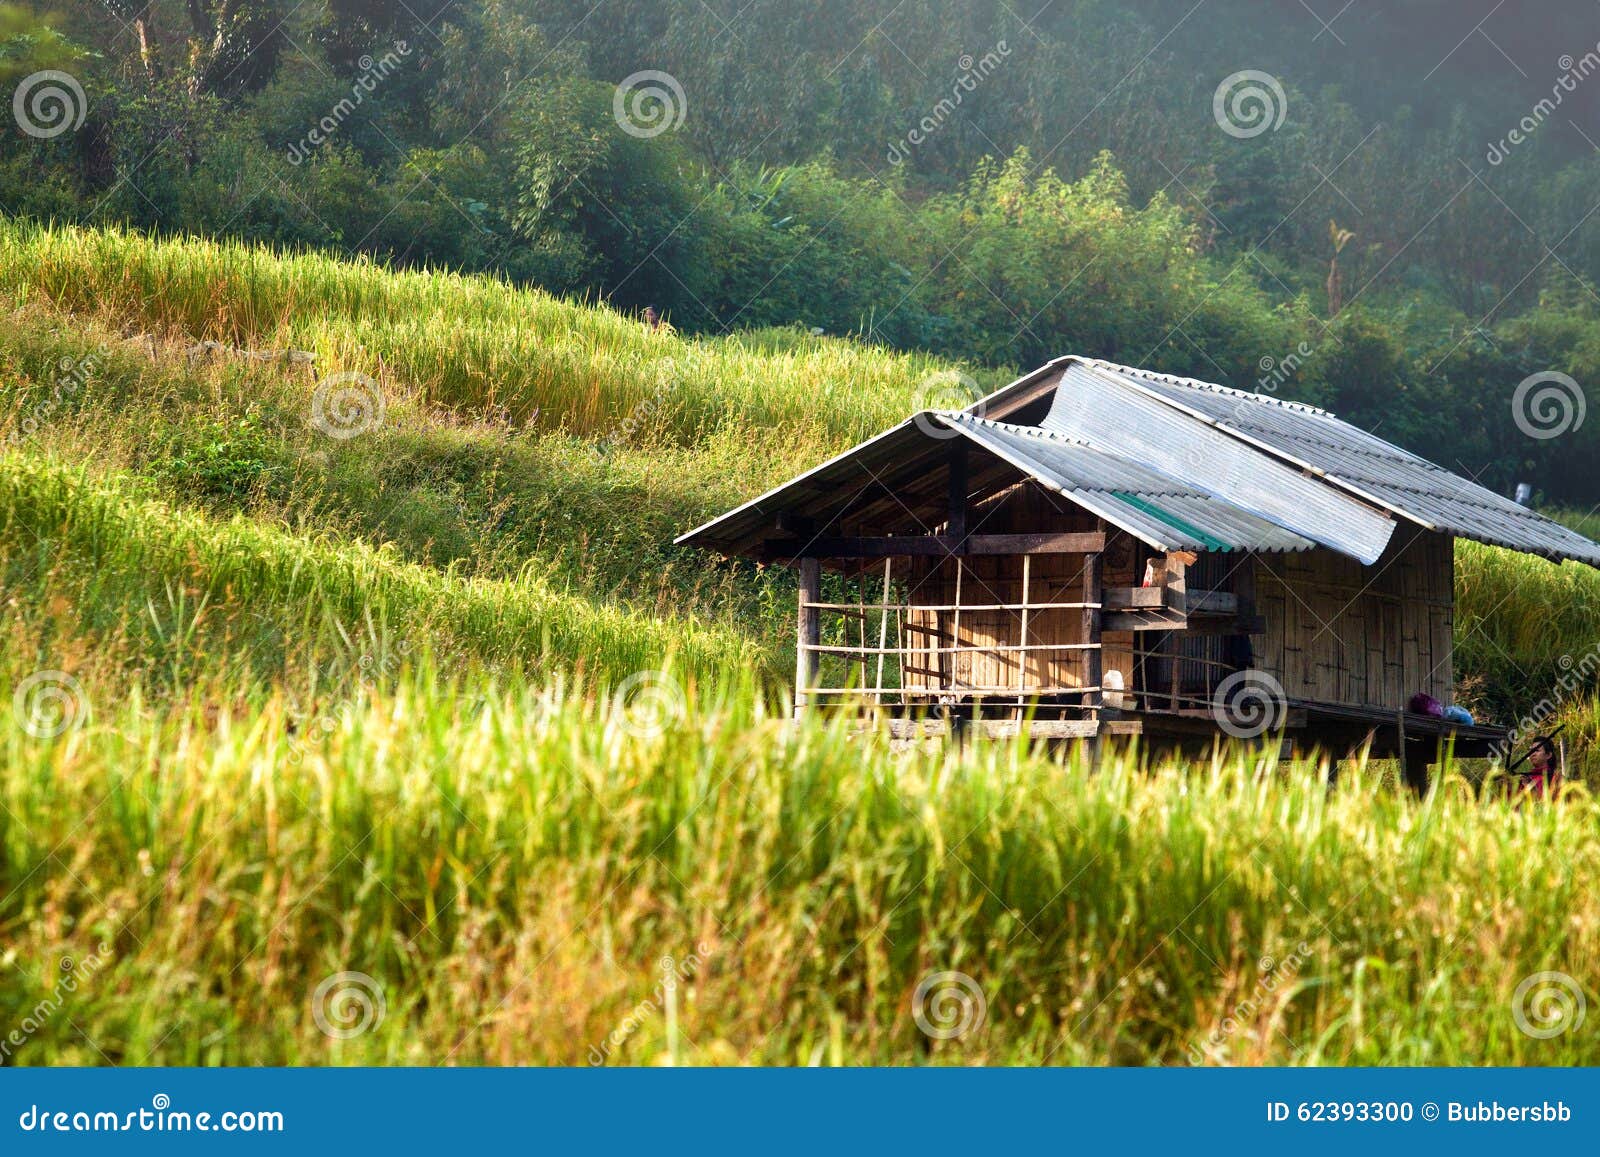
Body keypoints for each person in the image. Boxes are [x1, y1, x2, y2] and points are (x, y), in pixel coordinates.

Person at [1523, 735, 1562, 800]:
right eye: (1531, 751)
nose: (1532, 754)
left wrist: (1532, 791)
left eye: (1537, 750)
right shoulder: (1526, 778)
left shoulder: (1556, 777)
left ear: (1548, 755)